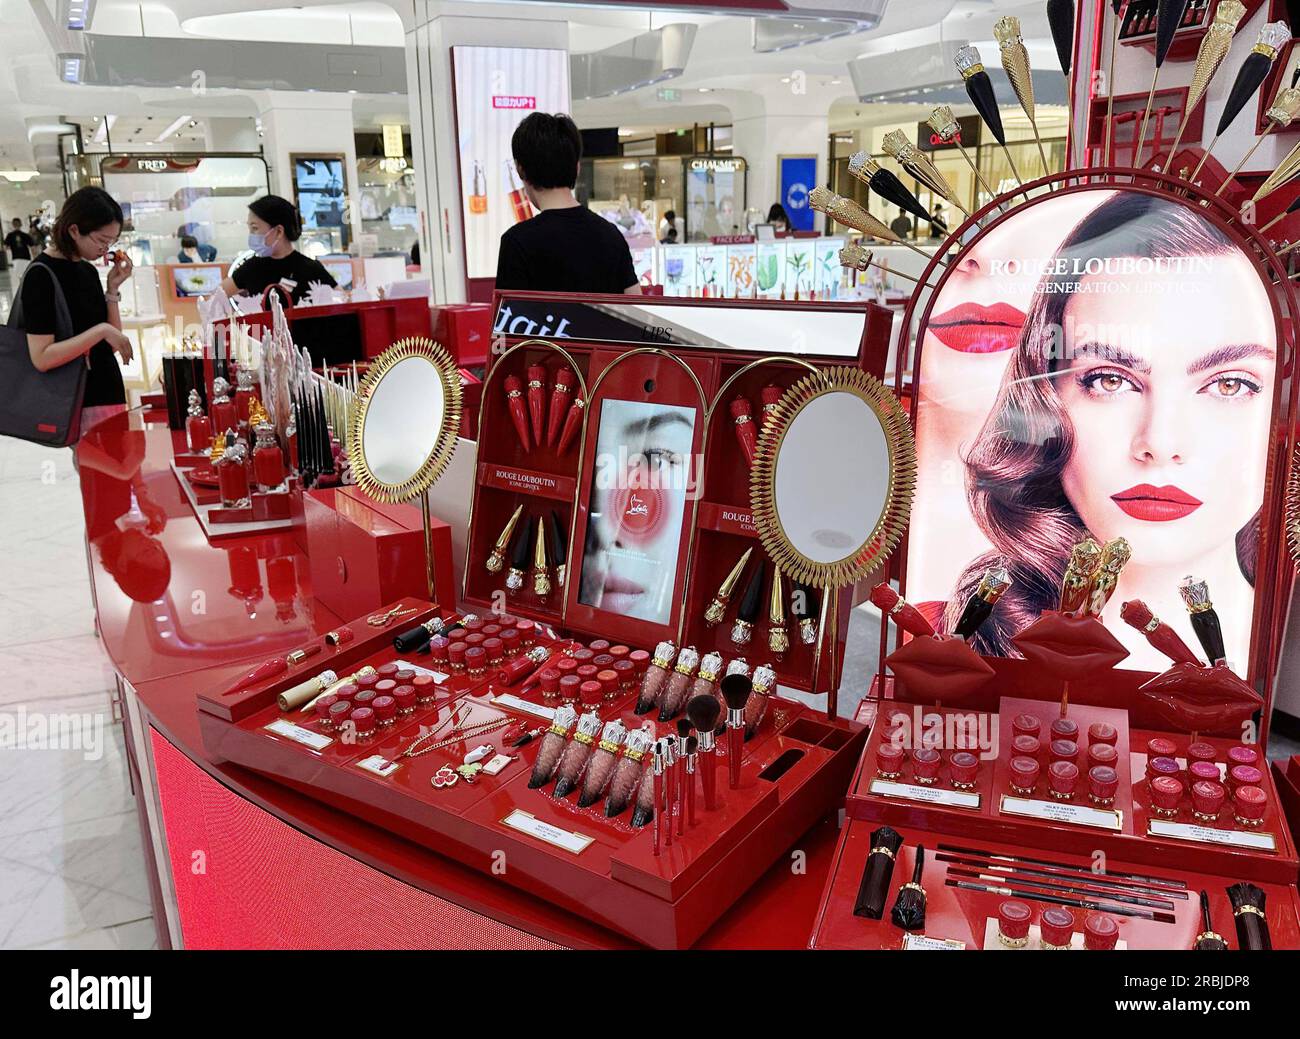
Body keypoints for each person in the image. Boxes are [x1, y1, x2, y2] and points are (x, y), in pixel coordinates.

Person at [943, 192, 1274, 673]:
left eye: (1230, 384)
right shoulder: (958, 636)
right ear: (1045, 392)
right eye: (1110, 381)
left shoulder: (1280, 657)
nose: (1159, 443)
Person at [20, 186, 134, 438]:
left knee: (120, 460)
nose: (105, 249)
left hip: (108, 390)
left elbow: (111, 345)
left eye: (111, 242)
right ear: (74, 230)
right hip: (77, 397)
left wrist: (112, 289)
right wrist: (101, 331)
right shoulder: (40, 275)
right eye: (101, 240)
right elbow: (42, 357)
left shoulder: (87, 270)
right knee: (96, 462)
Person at [495, 112, 640, 294]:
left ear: (520, 170)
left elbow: (509, 311)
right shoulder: (611, 235)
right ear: (577, 167)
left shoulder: (517, 242)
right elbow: (635, 302)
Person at [219, 194, 336, 305]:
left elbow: (341, 300)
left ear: (279, 231)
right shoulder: (251, 268)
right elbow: (215, 298)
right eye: (250, 229)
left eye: (255, 228)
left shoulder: (311, 268)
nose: (251, 235)